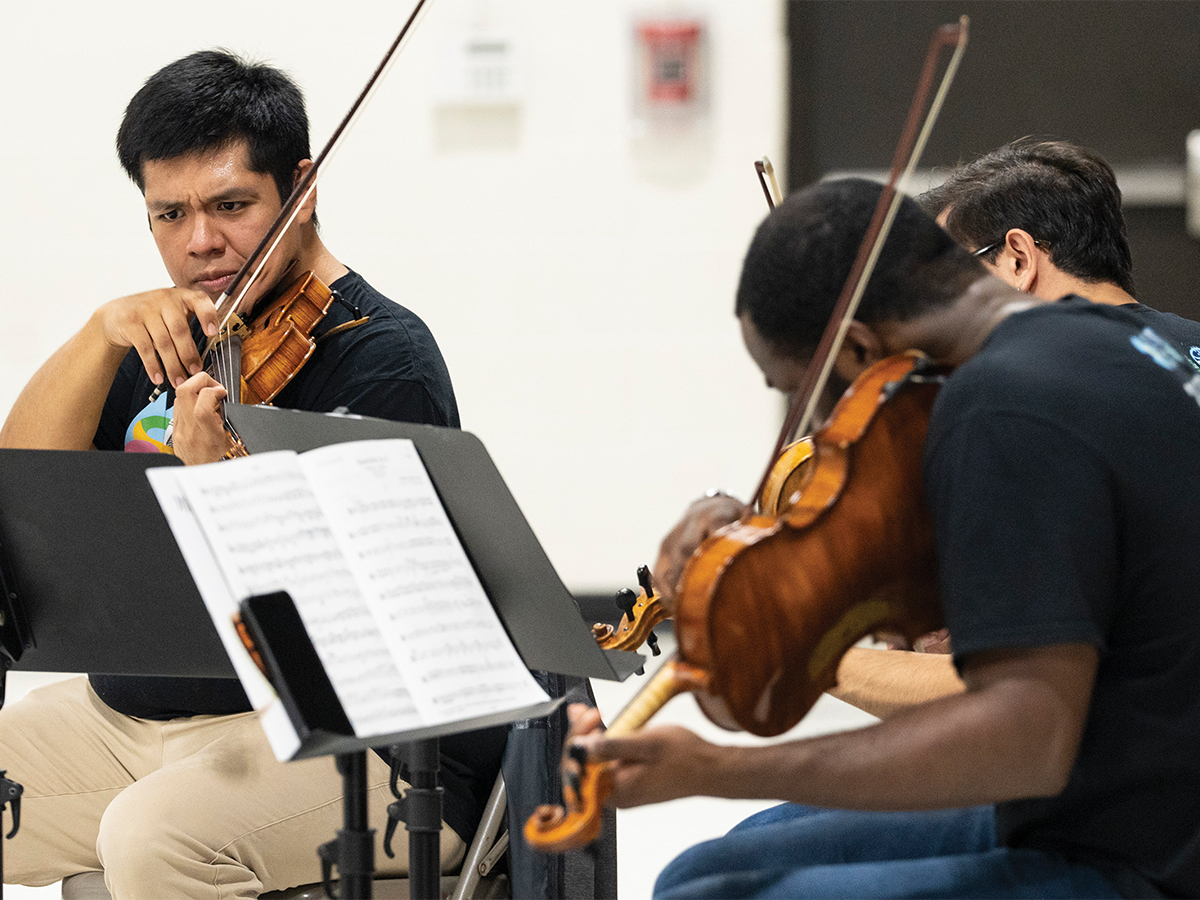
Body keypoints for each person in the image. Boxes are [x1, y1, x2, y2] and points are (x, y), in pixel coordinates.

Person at [568, 177, 1200, 898]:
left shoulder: (1003, 404)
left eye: (807, 395)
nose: (825, 427)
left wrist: (715, 769)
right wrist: (748, 535)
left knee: (709, 895)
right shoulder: (1112, 338)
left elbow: (1027, 741)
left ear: (859, 350)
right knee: (712, 867)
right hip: (1122, 801)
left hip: (1136, 860)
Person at [0, 50, 505, 898]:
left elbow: (350, 635)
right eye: (169, 214)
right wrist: (97, 334)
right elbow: (25, 488)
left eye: (231, 205)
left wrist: (223, 484)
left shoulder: (383, 357)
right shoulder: (163, 337)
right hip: (130, 722)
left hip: (350, 743)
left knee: (155, 838)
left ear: (300, 190)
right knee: (144, 818)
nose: (201, 243)